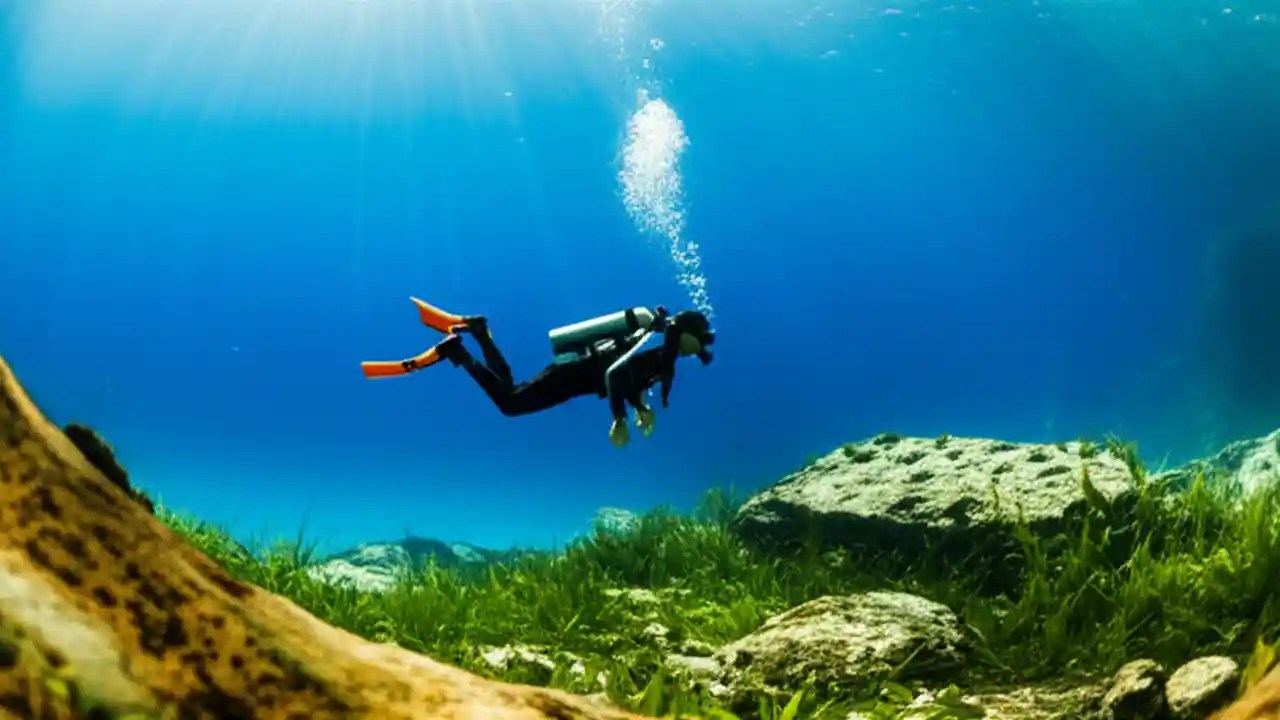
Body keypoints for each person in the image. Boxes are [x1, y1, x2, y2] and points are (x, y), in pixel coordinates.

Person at [360, 298, 715, 447]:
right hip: (569, 376)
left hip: (571, 377)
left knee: (512, 393)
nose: (697, 352)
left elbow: (626, 376)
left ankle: (480, 332)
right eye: (698, 344)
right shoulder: (653, 343)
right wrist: (621, 419)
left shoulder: (657, 349)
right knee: (511, 404)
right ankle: (458, 351)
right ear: (685, 333)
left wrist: (641, 407)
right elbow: (615, 376)